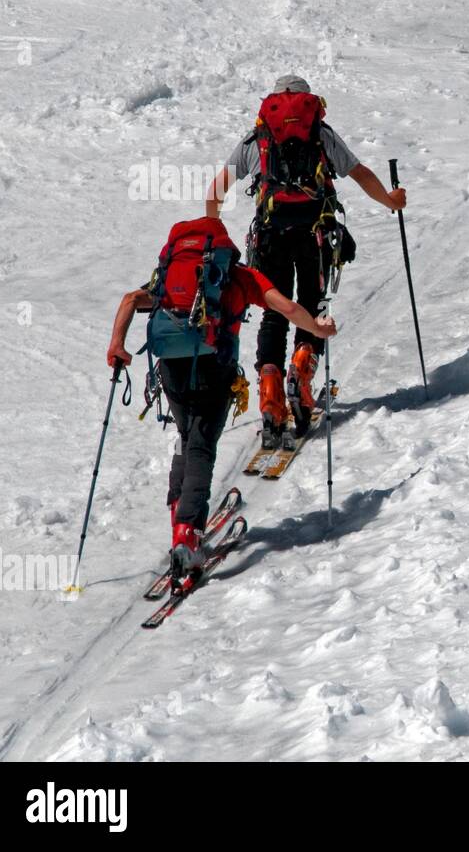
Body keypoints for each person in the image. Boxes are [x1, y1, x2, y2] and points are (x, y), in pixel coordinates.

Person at [106, 216, 336, 579]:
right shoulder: (238, 276)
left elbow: (132, 299)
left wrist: (117, 345)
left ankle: (179, 517)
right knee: (201, 445)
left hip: (171, 369)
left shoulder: (169, 275)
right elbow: (286, 307)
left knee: (186, 438)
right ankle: (187, 534)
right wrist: (317, 327)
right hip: (214, 368)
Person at [202, 74, 406, 447]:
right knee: (313, 305)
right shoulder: (321, 133)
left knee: (274, 311)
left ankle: (270, 393)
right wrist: (390, 201)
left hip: (269, 236)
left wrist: (212, 230)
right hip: (317, 235)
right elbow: (358, 173)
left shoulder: (258, 137)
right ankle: (302, 371)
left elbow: (217, 187)